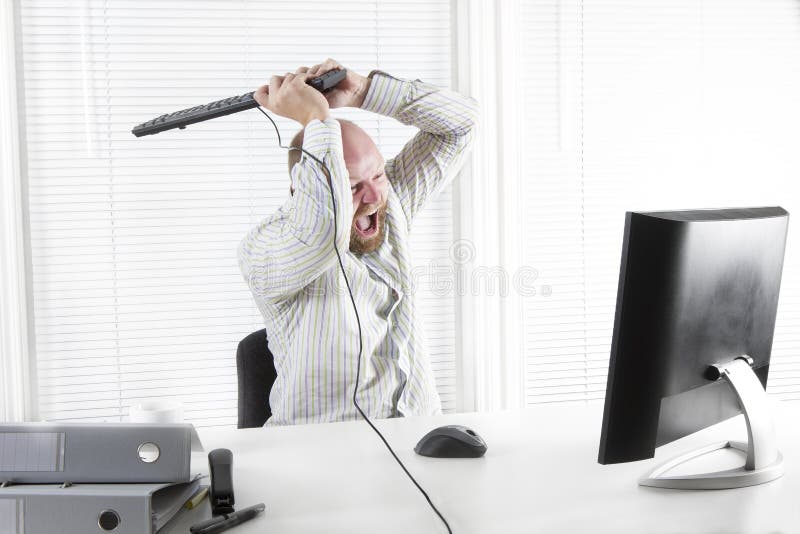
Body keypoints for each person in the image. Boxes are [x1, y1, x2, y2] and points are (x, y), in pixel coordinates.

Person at [238, 58, 478, 426]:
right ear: (300, 187)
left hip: (421, 436)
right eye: (351, 185)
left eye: (378, 174)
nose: (373, 197)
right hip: (318, 455)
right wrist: (315, 121)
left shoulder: (390, 201)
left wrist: (363, 91)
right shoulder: (265, 248)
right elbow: (324, 230)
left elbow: (461, 125)